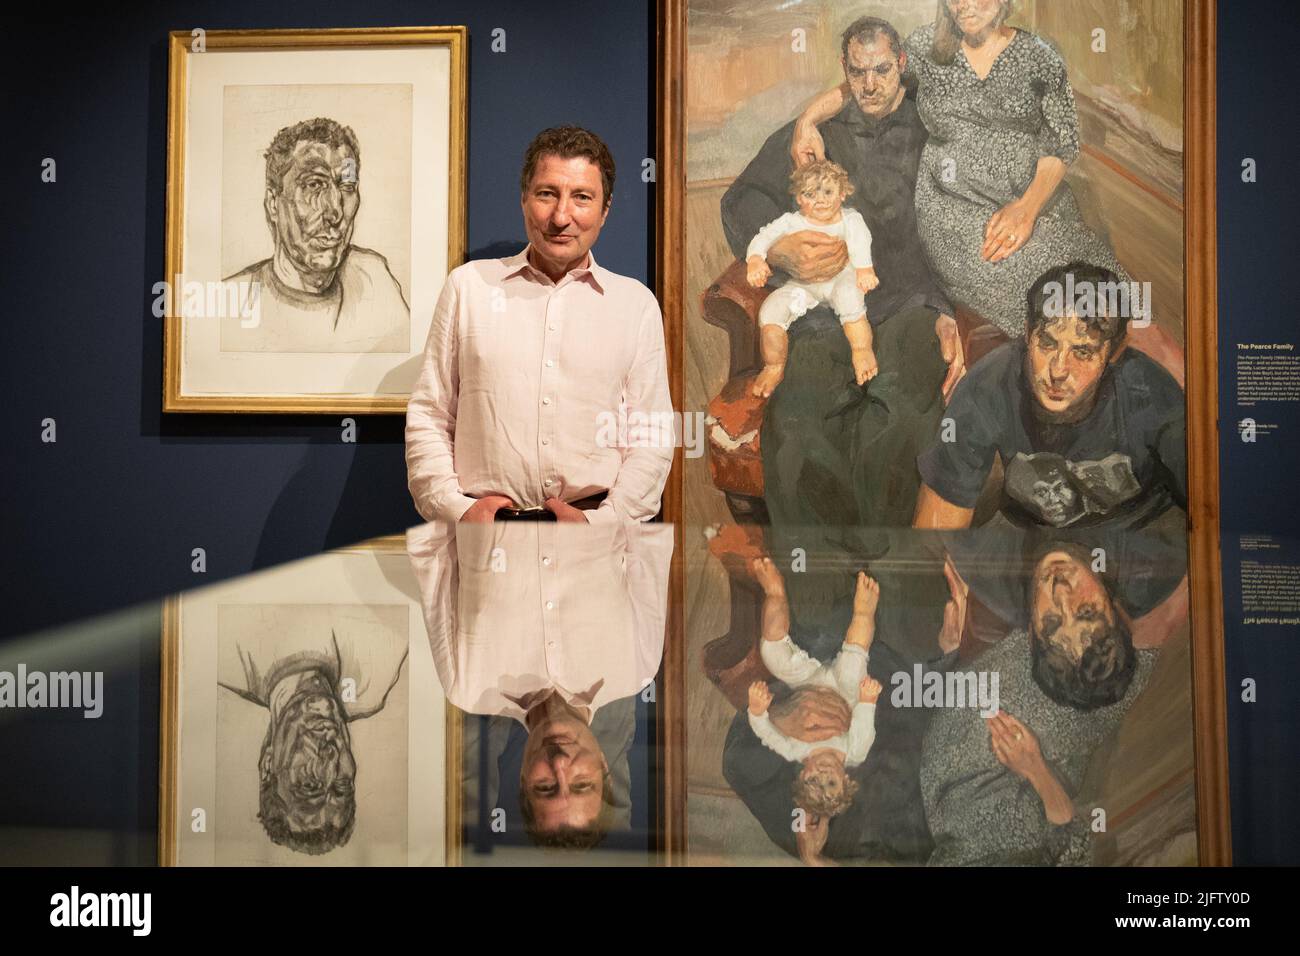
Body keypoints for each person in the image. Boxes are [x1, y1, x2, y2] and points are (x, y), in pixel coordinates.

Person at [791, 1, 1184, 380]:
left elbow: (1061, 142)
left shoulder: (1039, 56)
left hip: (1036, 205)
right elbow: (865, 80)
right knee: (1066, 300)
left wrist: (1026, 209)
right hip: (954, 213)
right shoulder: (928, 49)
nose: (965, 4)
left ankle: (1176, 400)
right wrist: (807, 119)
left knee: (1122, 295)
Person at [721, 16, 963, 529]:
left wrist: (946, 310)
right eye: (857, 73)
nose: (869, 85)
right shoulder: (814, 136)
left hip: (908, 305)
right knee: (798, 418)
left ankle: (885, 578)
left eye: (880, 70)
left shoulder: (933, 128)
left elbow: (960, 228)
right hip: (821, 308)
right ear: (844, 71)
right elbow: (740, 201)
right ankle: (822, 589)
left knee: (900, 420)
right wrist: (780, 251)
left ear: (901, 64)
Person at [405, 125, 673, 526]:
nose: (561, 216)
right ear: (524, 199)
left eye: (582, 197)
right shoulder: (469, 287)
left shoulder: (635, 305)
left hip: (593, 542)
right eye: (547, 194)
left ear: (606, 209)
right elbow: (431, 415)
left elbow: (651, 435)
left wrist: (603, 522)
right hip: (484, 540)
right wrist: (455, 510)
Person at [406, 516, 672, 848]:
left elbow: (434, 551)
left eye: (545, 787)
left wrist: (470, 508)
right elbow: (644, 532)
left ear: (521, 779)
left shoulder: (468, 685)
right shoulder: (635, 665)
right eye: (581, 785)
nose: (560, 764)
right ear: (604, 764)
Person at [914, 262, 1186, 530]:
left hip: (1139, 541)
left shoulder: (1151, 393)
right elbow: (934, 532)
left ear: (1113, 353)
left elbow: (1216, 510)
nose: (1057, 370)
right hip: (1032, 545)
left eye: (1082, 352)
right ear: (1027, 333)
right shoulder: (987, 385)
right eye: (1047, 343)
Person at [217, 617, 409, 855]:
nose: (331, 758)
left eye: (310, 785)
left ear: (268, 764)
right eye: (342, 785)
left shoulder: (223, 653)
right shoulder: (374, 681)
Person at [223, 117, 410, 353]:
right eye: (314, 185)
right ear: (273, 204)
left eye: (347, 187)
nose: (336, 210)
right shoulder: (233, 302)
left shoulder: (374, 279)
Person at [746, 559, 883, 819]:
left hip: (807, 684)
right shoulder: (856, 751)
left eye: (814, 782)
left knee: (772, 654)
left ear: (803, 774)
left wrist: (757, 711)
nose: (823, 775)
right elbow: (865, 724)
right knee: (854, 663)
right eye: (831, 783)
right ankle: (863, 612)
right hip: (844, 694)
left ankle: (775, 592)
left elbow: (765, 733)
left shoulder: (794, 750)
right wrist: (867, 700)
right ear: (845, 778)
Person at [745, 160, 879, 397]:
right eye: (810, 194)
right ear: (798, 198)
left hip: (841, 279)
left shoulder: (850, 219)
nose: (820, 200)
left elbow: (860, 240)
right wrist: (756, 259)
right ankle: (774, 365)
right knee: (771, 310)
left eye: (828, 192)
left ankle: (862, 350)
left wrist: (864, 269)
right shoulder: (791, 221)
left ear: (843, 193)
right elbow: (763, 237)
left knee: (850, 299)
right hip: (804, 286)